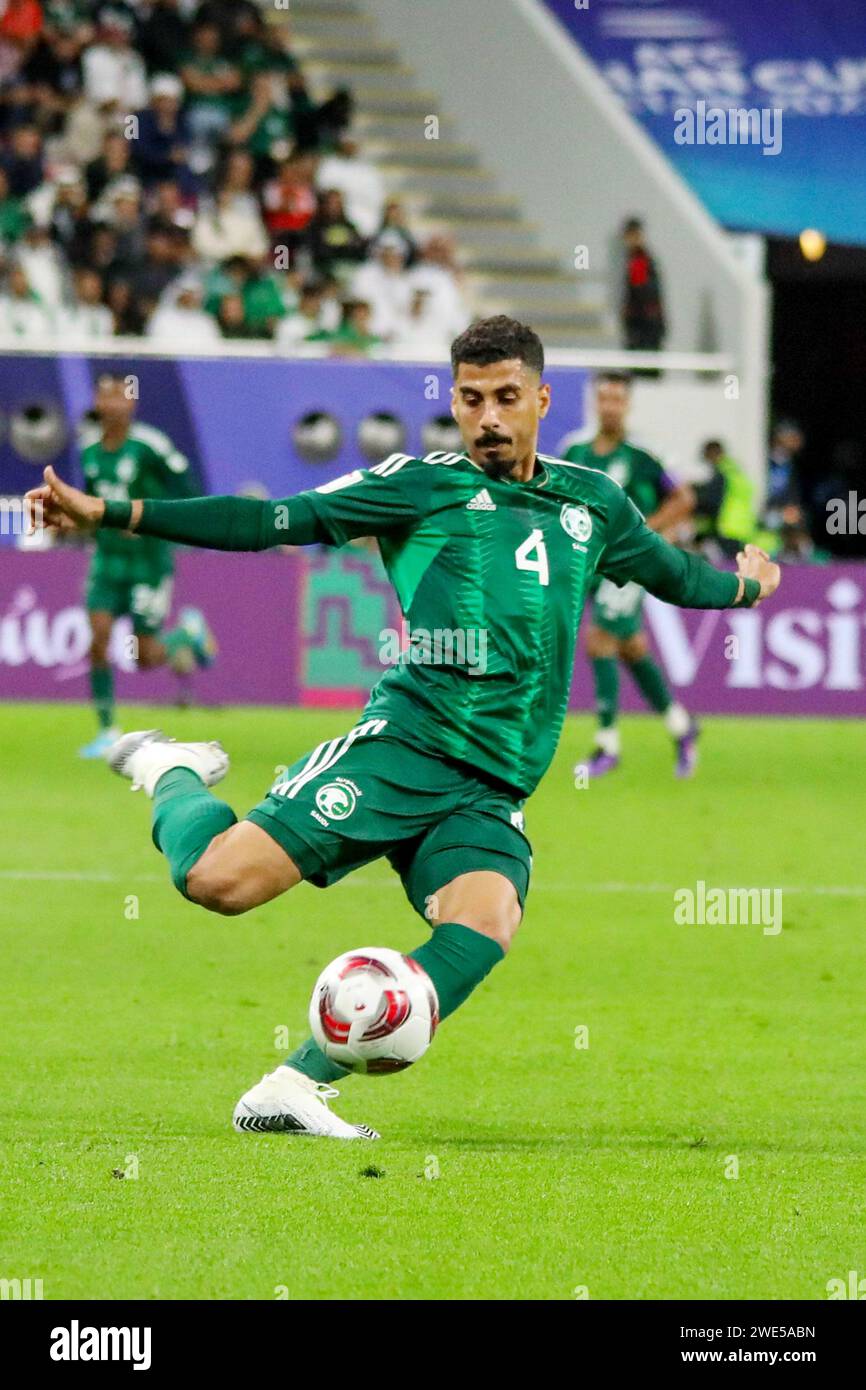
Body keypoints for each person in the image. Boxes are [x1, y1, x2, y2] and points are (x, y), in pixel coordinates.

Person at [26, 316, 780, 1138]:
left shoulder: (590, 501)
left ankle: (292, 1085)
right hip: (406, 748)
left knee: (486, 920)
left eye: (506, 398)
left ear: (541, 399)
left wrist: (744, 590)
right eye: (470, 399)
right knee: (216, 883)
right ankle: (167, 765)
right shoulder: (420, 486)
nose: (488, 418)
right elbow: (270, 522)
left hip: (490, 788)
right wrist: (109, 511)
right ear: (453, 403)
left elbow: (670, 574)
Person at [70, 373, 217, 759]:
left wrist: (152, 520)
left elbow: (187, 488)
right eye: (106, 397)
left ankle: (187, 633)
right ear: (98, 404)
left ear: (131, 404)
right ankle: (106, 730)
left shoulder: (150, 445)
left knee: (144, 657)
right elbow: (87, 505)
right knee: (98, 637)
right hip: (107, 561)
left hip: (148, 563)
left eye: (120, 397)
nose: (113, 405)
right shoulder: (89, 452)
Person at [560, 372, 698, 778]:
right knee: (631, 647)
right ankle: (682, 726)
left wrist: (642, 534)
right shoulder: (575, 449)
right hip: (590, 562)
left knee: (600, 639)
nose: (610, 406)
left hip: (631, 563)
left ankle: (607, 745)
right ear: (595, 402)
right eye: (604, 398)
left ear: (628, 404)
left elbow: (685, 498)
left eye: (618, 399)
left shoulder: (644, 453)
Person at [620, 217, 665, 355]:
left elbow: (641, 291)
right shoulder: (636, 257)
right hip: (645, 323)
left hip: (644, 326)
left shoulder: (639, 259)